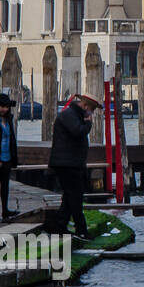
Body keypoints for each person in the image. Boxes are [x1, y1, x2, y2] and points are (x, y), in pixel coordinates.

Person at [50, 93, 99, 239]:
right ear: (85, 106)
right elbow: (78, 132)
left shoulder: (73, 115)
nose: (91, 113)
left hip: (72, 162)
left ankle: (60, 226)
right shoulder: (69, 115)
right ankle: (81, 229)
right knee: (75, 196)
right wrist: (89, 123)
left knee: (70, 196)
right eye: (91, 110)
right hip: (66, 163)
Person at [0, 94, 18, 219]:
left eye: (6, 107)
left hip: (7, 157)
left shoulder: (9, 120)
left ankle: (5, 210)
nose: (4, 109)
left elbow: (12, 139)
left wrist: (14, 157)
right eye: (2, 106)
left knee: (5, 186)